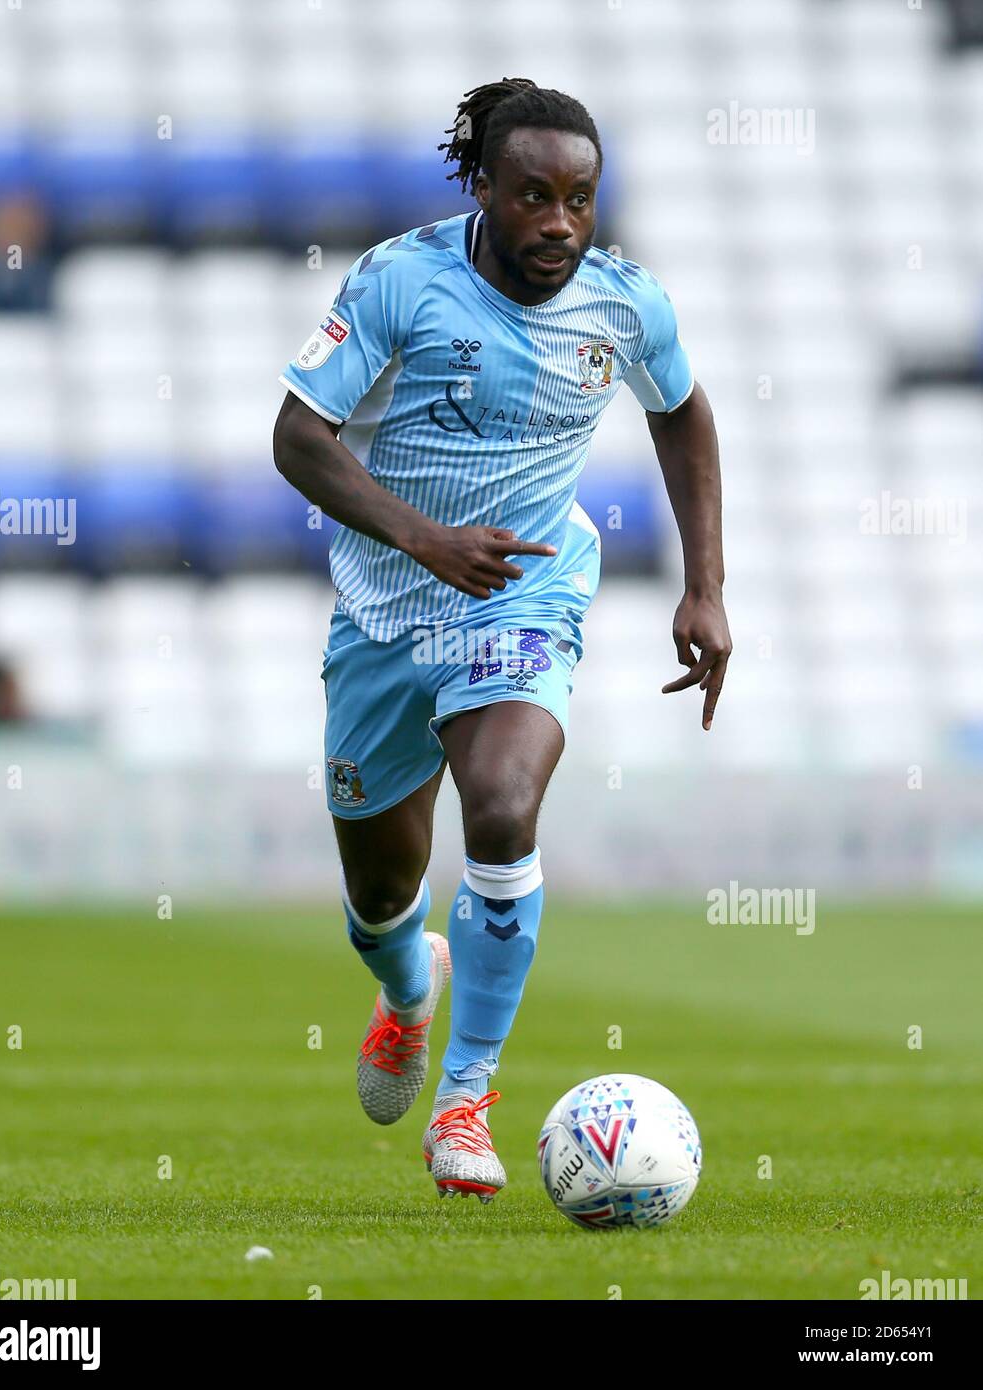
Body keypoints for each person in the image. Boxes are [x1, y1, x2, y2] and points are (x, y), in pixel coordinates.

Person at [273, 78, 731, 1202]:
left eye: (579, 198)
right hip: (386, 605)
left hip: (520, 595)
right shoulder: (399, 280)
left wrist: (704, 587)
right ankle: (408, 991)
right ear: (480, 185)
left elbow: (680, 413)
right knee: (381, 898)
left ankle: (465, 1098)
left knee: (502, 804)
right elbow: (296, 438)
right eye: (533, 195)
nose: (559, 223)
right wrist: (422, 538)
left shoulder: (625, 304)